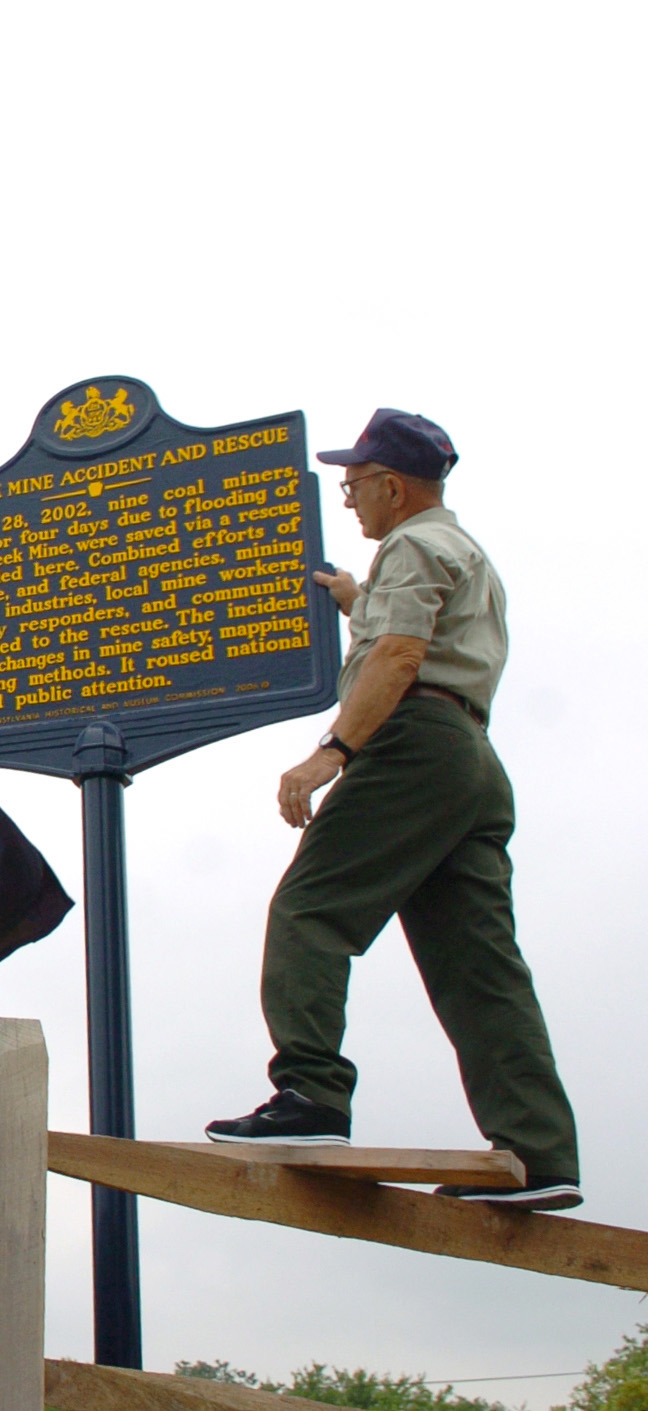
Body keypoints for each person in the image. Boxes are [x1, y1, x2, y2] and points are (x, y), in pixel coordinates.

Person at [206, 409, 581, 1211]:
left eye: (353, 484)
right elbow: (418, 627)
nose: (347, 499)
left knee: (311, 909)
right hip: (471, 762)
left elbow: (403, 653)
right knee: (481, 967)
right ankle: (541, 1150)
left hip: (410, 745)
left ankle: (310, 1098)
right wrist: (353, 598)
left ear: (393, 485)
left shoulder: (408, 545)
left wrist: (331, 752)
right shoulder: (459, 548)